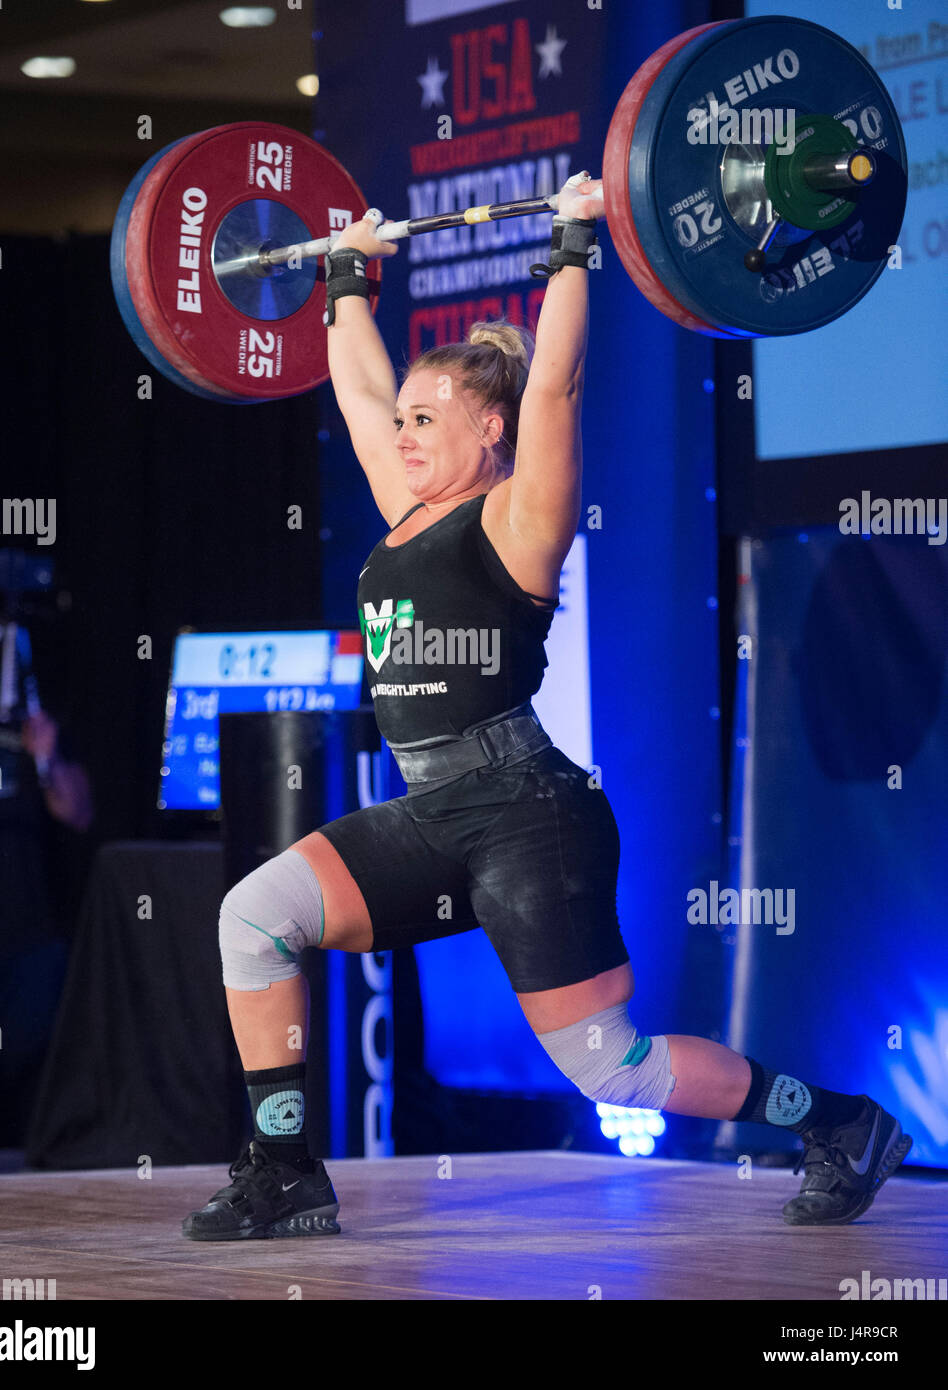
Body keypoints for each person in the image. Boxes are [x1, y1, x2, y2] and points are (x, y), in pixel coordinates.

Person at [183, 176, 911, 1240]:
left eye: (426, 418)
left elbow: (556, 387)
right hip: (430, 810)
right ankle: (286, 1168)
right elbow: (353, 392)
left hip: (527, 812)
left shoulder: (518, 519)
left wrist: (573, 246)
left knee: (609, 1068)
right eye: (404, 421)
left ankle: (838, 1123)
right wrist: (346, 276)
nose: (404, 433)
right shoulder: (407, 508)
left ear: (490, 425)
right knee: (253, 918)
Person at [0, 581, 93, 1152]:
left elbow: (78, 813)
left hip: (25, 942)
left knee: (29, 1077)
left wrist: (47, 756)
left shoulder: (22, 724)